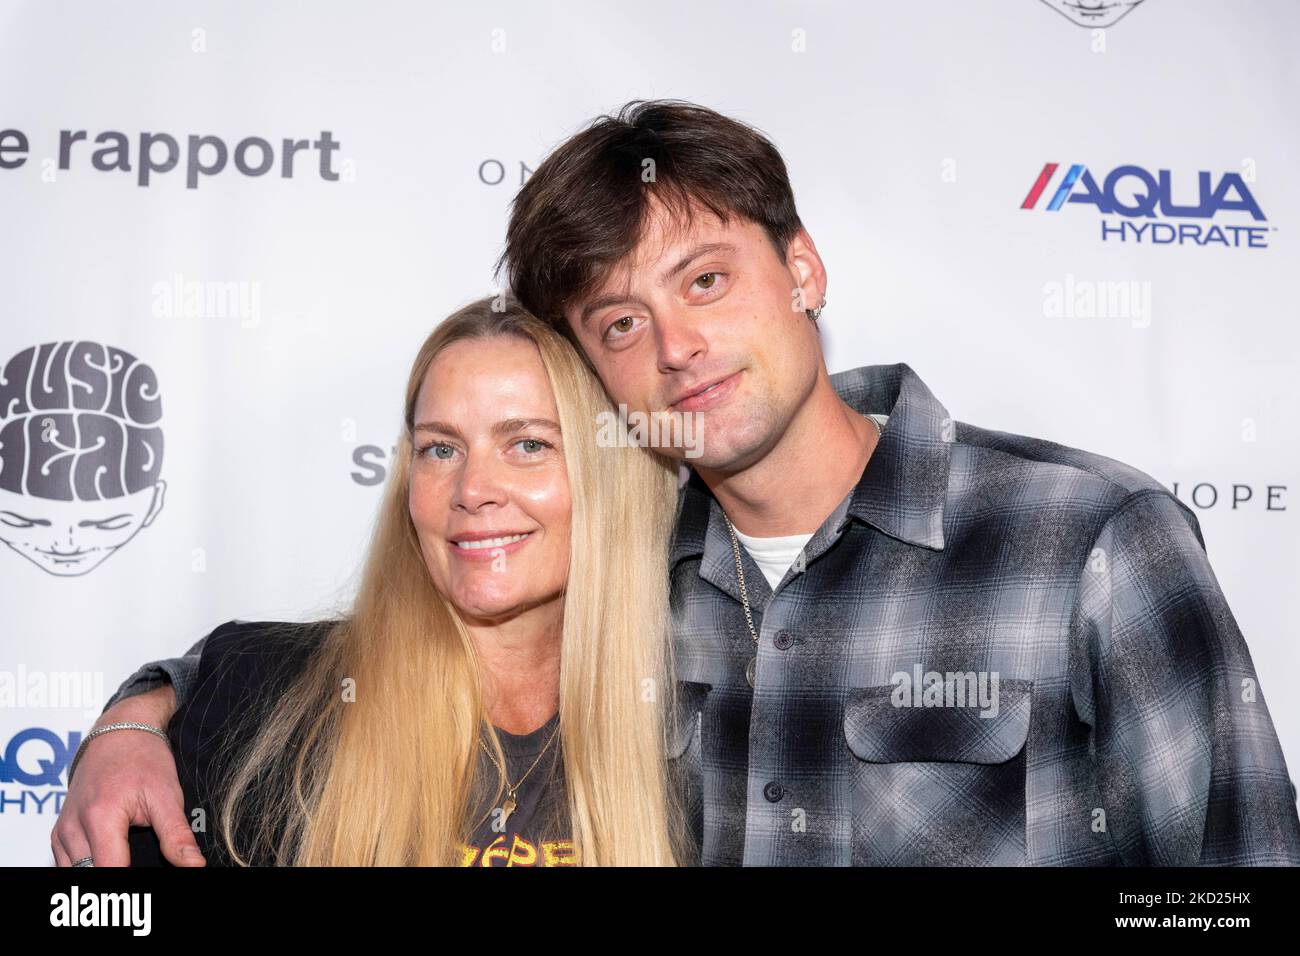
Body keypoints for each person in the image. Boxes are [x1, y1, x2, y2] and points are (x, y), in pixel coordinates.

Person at [60, 99, 1300, 867]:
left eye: (705, 279)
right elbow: (360, 656)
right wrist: (135, 717)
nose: (676, 346)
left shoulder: (1084, 537)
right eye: (618, 321)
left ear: (801, 266)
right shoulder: (622, 574)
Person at [56, 296, 686, 867]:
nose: (472, 492)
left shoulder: (686, 730)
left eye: (527, 445)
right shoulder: (254, 696)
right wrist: (128, 724)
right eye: (441, 449)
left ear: (611, 478)